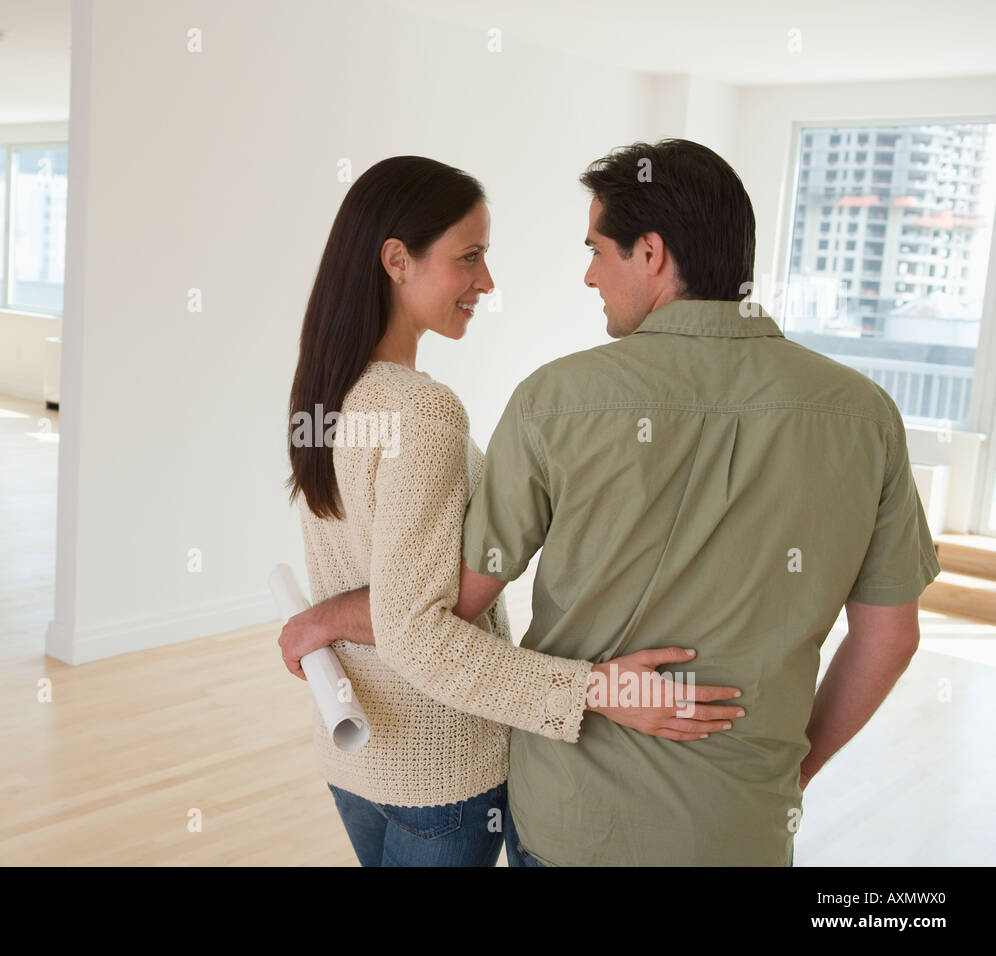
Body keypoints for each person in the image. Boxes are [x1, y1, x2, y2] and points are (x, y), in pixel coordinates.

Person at [287, 139, 941, 866]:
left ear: (651, 253)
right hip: (742, 826)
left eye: (597, 250)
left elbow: (442, 610)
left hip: (571, 817)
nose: (589, 274)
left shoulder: (552, 402)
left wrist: (324, 619)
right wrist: (791, 770)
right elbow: (890, 638)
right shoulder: (865, 415)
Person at [281, 155, 744, 868]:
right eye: (469, 258)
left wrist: (323, 620)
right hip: (442, 764)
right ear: (397, 261)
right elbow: (418, 627)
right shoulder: (423, 412)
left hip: (354, 753)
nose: (487, 282)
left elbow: (394, 596)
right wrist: (597, 691)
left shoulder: (328, 395)